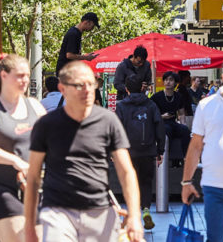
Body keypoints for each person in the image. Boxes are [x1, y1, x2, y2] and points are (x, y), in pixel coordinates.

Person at [25, 61, 145, 242]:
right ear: (62, 88)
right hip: (58, 211)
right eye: (80, 85)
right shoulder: (46, 125)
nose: (88, 90)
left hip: (99, 211)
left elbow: (126, 171)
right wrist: (30, 225)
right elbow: (33, 176)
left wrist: (135, 216)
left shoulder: (108, 121)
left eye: (91, 84)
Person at [0, 54, 45, 242]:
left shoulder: (35, 106)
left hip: (31, 186)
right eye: (19, 75)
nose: (25, 81)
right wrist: (16, 161)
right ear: (3, 75)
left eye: (27, 76)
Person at [181, 55, 223, 242]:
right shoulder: (206, 106)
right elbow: (195, 146)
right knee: (216, 238)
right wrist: (186, 182)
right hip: (215, 186)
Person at [114, 73, 163, 231]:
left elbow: (117, 129)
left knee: (129, 182)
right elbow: (159, 127)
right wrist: (160, 150)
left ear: (127, 89)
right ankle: (146, 210)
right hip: (148, 150)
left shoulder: (121, 106)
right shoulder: (150, 104)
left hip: (128, 152)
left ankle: (132, 213)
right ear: (141, 88)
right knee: (146, 182)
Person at [152, 71, 192, 164]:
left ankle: (186, 156)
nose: (168, 82)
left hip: (173, 122)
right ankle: (163, 156)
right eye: (166, 80)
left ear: (175, 82)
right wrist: (162, 116)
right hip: (160, 123)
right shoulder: (156, 97)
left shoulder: (178, 96)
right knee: (167, 130)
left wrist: (183, 124)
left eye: (170, 80)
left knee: (185, 130)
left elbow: (181, 114)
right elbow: (151, 114)